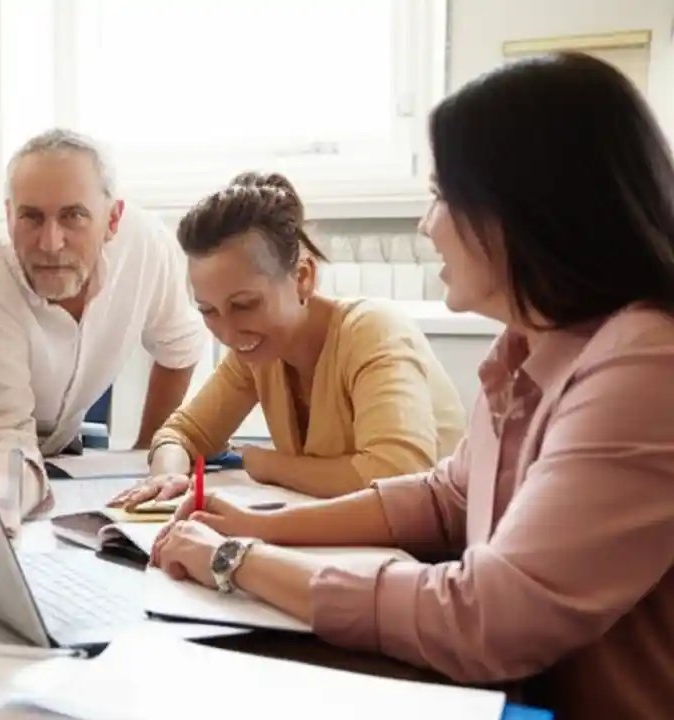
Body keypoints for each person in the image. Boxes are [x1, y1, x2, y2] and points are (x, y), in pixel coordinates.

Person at [149, 52, 674, 719]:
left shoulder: (646, 366)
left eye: (441, 197)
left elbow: (487, 618)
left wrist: (236, 557)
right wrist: (263, 528)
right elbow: (445, 499)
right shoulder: (526, 345)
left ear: (528, 206)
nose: (427, 225)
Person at [112, 172, 465, 505]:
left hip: (434, 553)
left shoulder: (373, 330)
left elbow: (397, 475)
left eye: (245, 305)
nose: (229, 333)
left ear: (303, 278)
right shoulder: (256, 354)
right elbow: (181, 434)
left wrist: (268, 464)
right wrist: (166, 475)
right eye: (208, 311)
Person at [0, 128, 207, 526]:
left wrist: (144, 455)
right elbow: (3, 435)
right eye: (31, 217)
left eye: (74, 216)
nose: (50, 243)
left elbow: (179, 348)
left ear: (113, 219)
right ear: (9, 215)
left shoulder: (147, 245)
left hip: (62, 458)